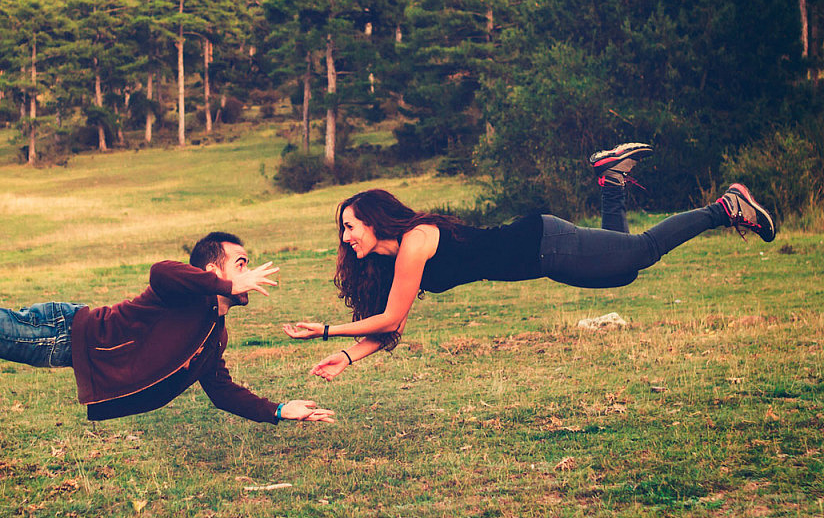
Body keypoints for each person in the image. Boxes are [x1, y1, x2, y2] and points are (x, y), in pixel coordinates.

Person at [284, 143, 776, 381]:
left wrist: (326, 332)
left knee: (642, 252)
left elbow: (390, 318)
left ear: (373, 221)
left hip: (543, 242)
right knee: (624, 269)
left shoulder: (415, 241)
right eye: (342, 230)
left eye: (350, 226)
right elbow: (392, 327)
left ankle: (725, 207)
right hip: (544, 254)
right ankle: (612, 180)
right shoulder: (395, 262)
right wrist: (346, 358)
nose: (345, 238)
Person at [0, 188, 335, 424]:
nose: (250, 272)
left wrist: (278, 410)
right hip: (63, 330)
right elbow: (161, 272)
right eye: (239, 262)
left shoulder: (214, 333)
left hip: (63, 344)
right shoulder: (179, 291)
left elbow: (221, 392)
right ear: (212, 272)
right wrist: (220, 283)